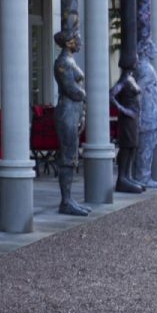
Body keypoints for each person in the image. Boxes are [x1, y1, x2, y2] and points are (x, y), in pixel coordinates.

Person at [53, 29, 90, 216]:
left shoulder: (70, 61)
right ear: (69, 43)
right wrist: (84, 95)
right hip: (67, 110)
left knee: (72, 155)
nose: (80, 43)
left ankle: (69, 198)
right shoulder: (62, 63)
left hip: (73, 110)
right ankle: (65, 201)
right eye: (78, 40)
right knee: (67, 155)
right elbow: (72, 89)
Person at [111, 55, 146, 193]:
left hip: (134, 119)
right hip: (127, 120)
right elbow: (111, 94)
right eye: (136, 59)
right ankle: (122, 178)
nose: (137, 61)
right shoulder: (125, 79)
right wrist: (124, 110)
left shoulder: (131, 78)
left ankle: (127, 176)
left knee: (133, 147)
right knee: (126, 147)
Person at [135, 38, 157, 187]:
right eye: (153, 46)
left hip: (150, 113)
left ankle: (143, 176)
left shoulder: (143, 67)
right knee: (146, 148)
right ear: (145, 49)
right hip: (148, 114)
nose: (156, 50)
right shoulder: (145, 68)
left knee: (147, 147)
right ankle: (143, 177)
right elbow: (138, 91)